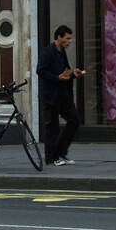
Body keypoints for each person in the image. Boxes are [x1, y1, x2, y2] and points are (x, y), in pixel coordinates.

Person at [37, 25, 84, 166]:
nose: (70, 41)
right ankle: (52, 158)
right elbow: (40, 70)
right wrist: (56, 78)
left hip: (63, 94)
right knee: (52, 127)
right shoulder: (48, 52)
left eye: (70, 38)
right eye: (67, 38)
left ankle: (61, 151)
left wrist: (73, 74)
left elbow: (64, 72)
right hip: (50, 95)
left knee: (74, 120)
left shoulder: (62, 51)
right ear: (59, 37)